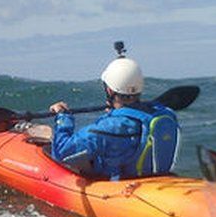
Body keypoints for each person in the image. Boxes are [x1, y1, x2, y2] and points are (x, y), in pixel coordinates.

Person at [49, 54, 180, 180]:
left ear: (110, 90)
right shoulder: (164, 113)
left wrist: (63, 117)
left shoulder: (110, 127)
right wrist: (115, 113)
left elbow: (62, 152)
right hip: (156, 178)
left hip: (121, 186)